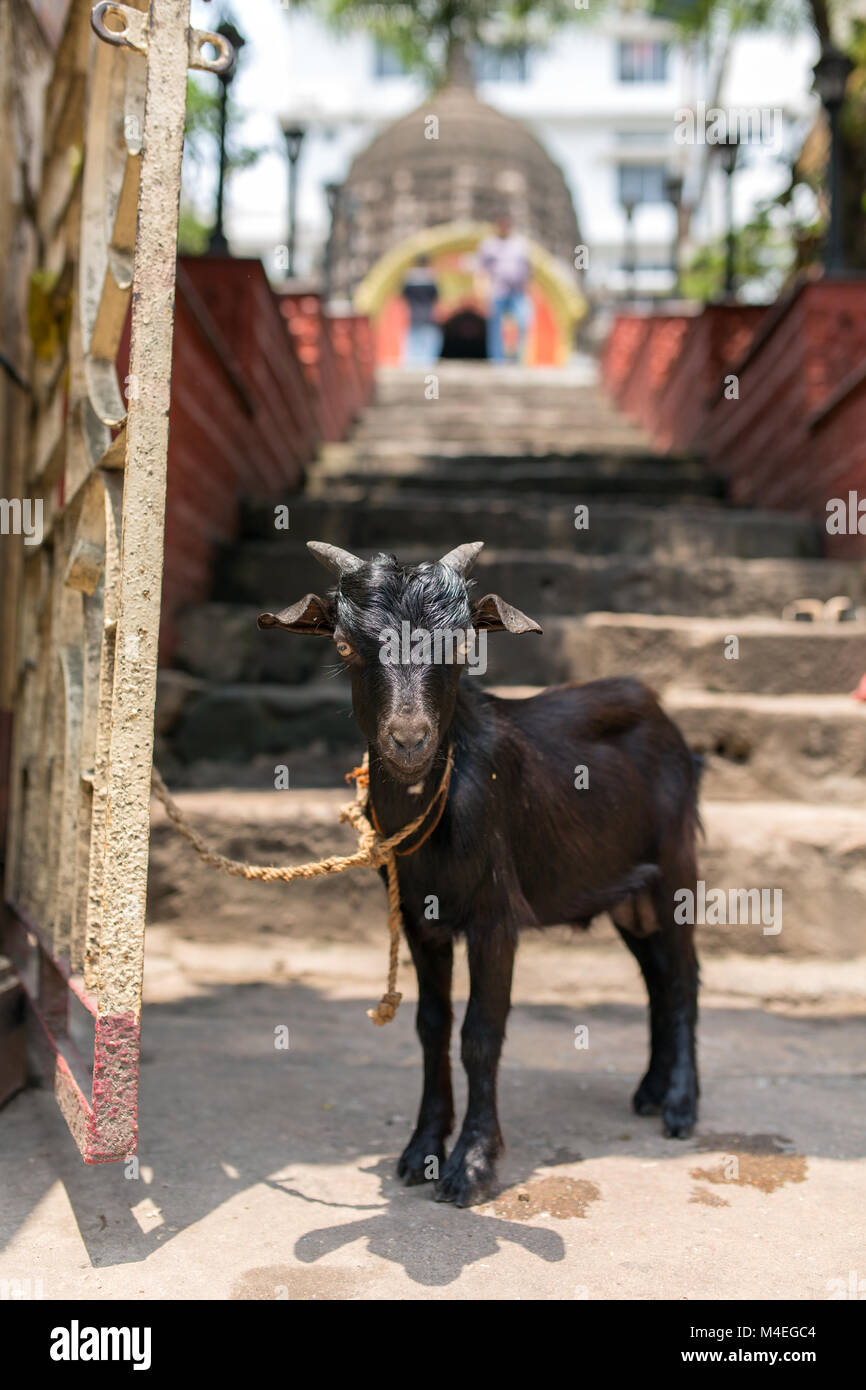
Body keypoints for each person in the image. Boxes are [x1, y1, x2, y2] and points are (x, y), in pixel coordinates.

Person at [477, 215, 532, 362]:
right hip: (497, 291)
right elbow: (481, 270)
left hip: (518, 292)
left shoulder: (520, 244)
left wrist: (529, 287)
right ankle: (497, 360)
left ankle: (518, 357)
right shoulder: (488, 245)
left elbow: (528, 267)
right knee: (495, 327)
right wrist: (482, 291)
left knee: (523, 322)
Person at [401, 256, 441, 366]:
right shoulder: (431, 277)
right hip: (428, 316)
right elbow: (436, 297)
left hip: (413, 315)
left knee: (413, 346)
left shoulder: (409, 278)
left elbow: (404, 296)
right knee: (427, 347)